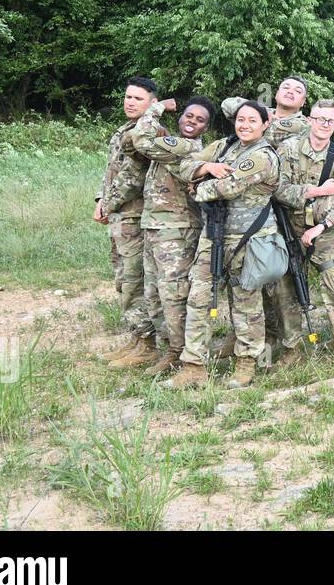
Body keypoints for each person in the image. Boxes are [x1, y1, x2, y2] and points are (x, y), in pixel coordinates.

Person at [162, 100, 281, 390]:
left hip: (248, 240)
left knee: (246, 302)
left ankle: (247, 362)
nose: (245, 125)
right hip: (214, 233)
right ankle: (193, 365)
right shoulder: (224, 147)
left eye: (252, 120)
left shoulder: (262, 155)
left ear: (265, 125)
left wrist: (199, 186)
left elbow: (228, 187)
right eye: (241, 119)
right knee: (198, 297)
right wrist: (206, 167)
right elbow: (186, 165)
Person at [222, 76, 311, 363]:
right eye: (286, 86)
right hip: (248, 205)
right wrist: (259, 111)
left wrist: (265, 116)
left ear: (303, 102)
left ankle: (293, 344)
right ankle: (252, 335)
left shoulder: (302, 124)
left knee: (285, 278)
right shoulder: (257, 115)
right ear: (275, 93)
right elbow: (227, 105)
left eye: (298, 91)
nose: (290, 92)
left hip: (283, 207)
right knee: (245, 274)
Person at [124, 95, 215, 376]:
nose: (192, 122)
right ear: (181, 118)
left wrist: (158, 107)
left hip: (177, 231)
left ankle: (180, 351)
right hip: (154, 227)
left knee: (173, 294)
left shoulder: (187, 147)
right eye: (189, 116)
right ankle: (168, 347)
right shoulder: (168, 141)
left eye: (200, 120)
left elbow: (141, 138)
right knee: (153, 292)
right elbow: (130, 141)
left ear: (205, 128)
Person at [272, 98, 334, 368]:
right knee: (285, 287)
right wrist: (316, 192)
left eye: (331, 121)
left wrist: (321, 227)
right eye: (320, 118)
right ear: (310, 119)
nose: (325, 124)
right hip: (289, 229)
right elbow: (278, 189)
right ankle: (292, 347)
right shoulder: (288, 150)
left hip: (324, 232)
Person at [95, 77, 157, 366]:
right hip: (120, 215)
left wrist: (108, 204)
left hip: (136, 215)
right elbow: (111, 171)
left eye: (138, 98)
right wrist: (100, 199)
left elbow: (133, 176)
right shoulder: (125, 130)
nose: (130, 102)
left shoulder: (148, 133)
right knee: (122, 277)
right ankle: (136, 337)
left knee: (134, 280)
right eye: (128, 97)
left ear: (152, 104)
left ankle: (147, 343)